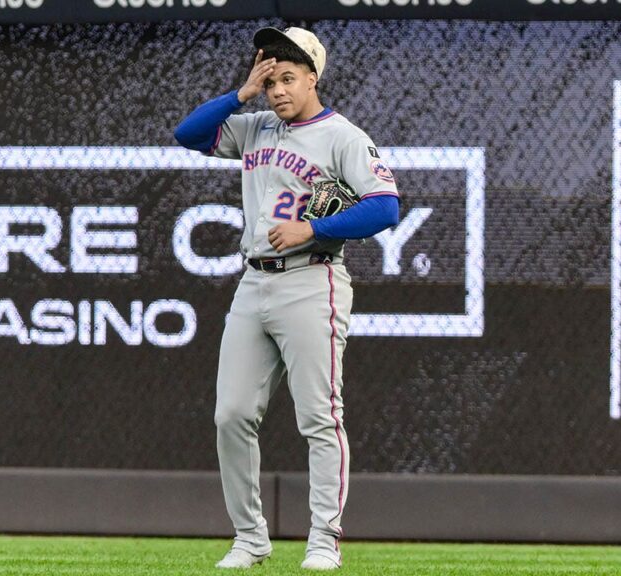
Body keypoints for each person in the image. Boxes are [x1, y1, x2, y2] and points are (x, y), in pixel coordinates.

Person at [174, 26, 401, 571]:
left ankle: (324, 540)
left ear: (313, 77)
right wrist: (240, 95)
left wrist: (316, 229)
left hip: (312, 279)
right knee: (231, 414)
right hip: (254, 283)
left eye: (288, 78)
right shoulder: (255, 128)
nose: (278, 89)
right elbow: (187, 134)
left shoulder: (342, 136)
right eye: (271, 78)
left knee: (319, 417)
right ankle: (250, 538)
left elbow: (386, 206)